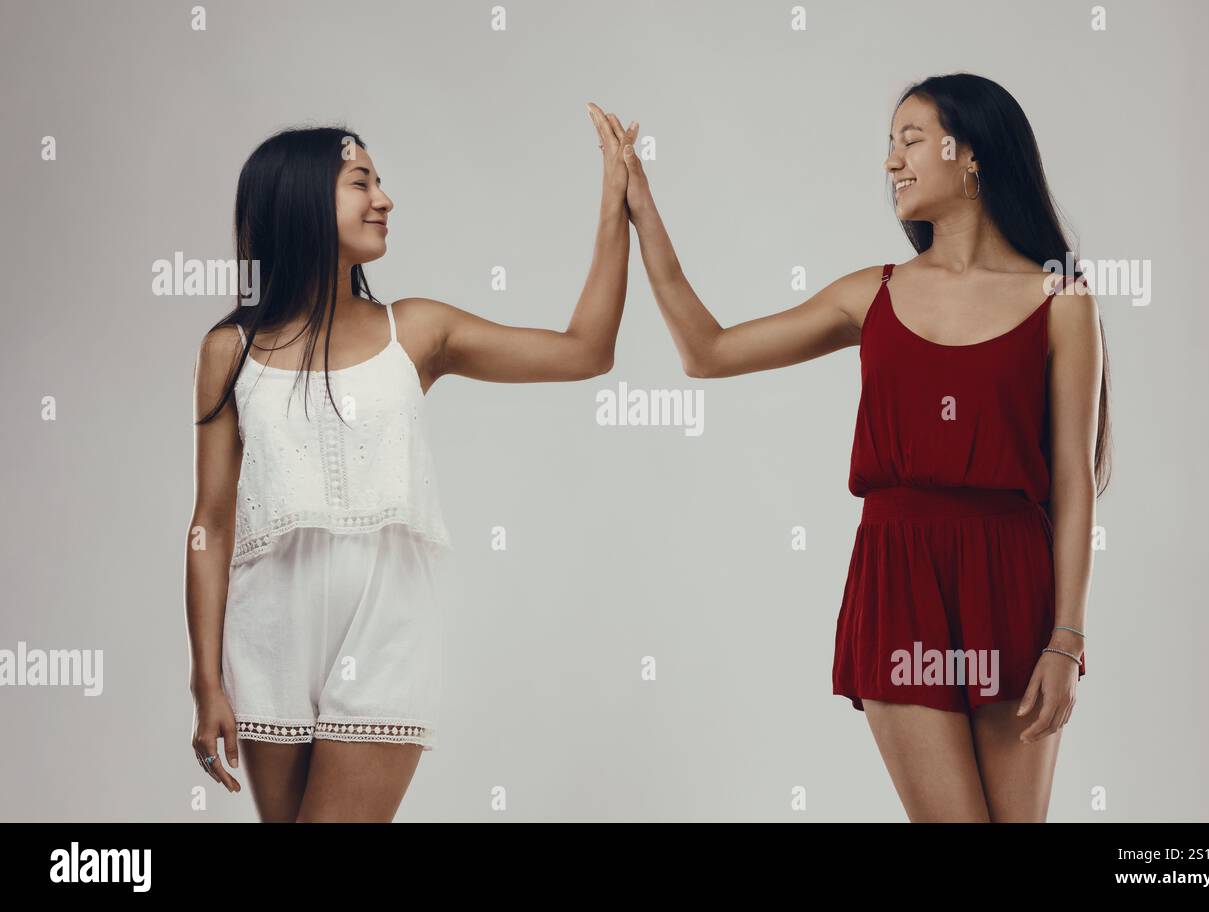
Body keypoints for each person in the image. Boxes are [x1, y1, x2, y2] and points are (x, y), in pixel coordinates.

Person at [613, 73, 1111, 822]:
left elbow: (1074, 485)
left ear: (970, 153)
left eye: (910, 140)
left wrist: (1067, 642)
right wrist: (643, 213)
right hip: (898, 583)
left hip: (1014, 585)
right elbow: (706, 350)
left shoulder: (1061, 302)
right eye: (889, 145)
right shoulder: (868, 293)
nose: (891, 162)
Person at [186, 104, 635, 822]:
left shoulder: (418, 330)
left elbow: (586, 350)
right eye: (361, 182)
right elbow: (209, 525)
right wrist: (206, 681)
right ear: (300, 202)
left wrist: (614, 205)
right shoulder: (228, 349)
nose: (384, 199)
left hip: (387, 628)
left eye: (380, 182)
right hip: (268, 635)